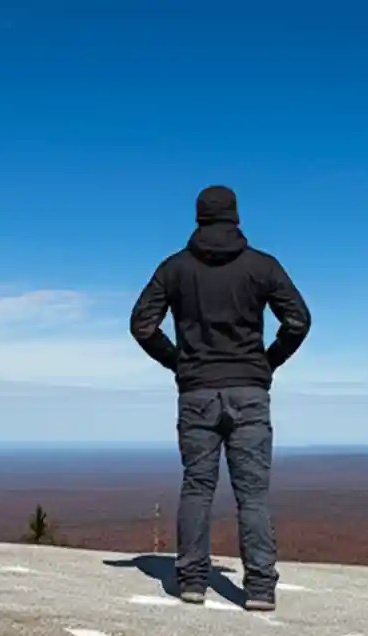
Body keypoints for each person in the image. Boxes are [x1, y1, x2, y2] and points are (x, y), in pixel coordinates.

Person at [129, 185, 311, 611]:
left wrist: (178, 362)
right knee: (253, 494)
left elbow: (142, 325)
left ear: (198, 218)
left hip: (197, 393)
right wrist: (267, 364)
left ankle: (192, 581)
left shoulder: (174, 269)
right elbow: (298, 321)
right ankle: (260, 588)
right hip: (249, 392)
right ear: (235, 217)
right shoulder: (261, 267)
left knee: (197, 487)